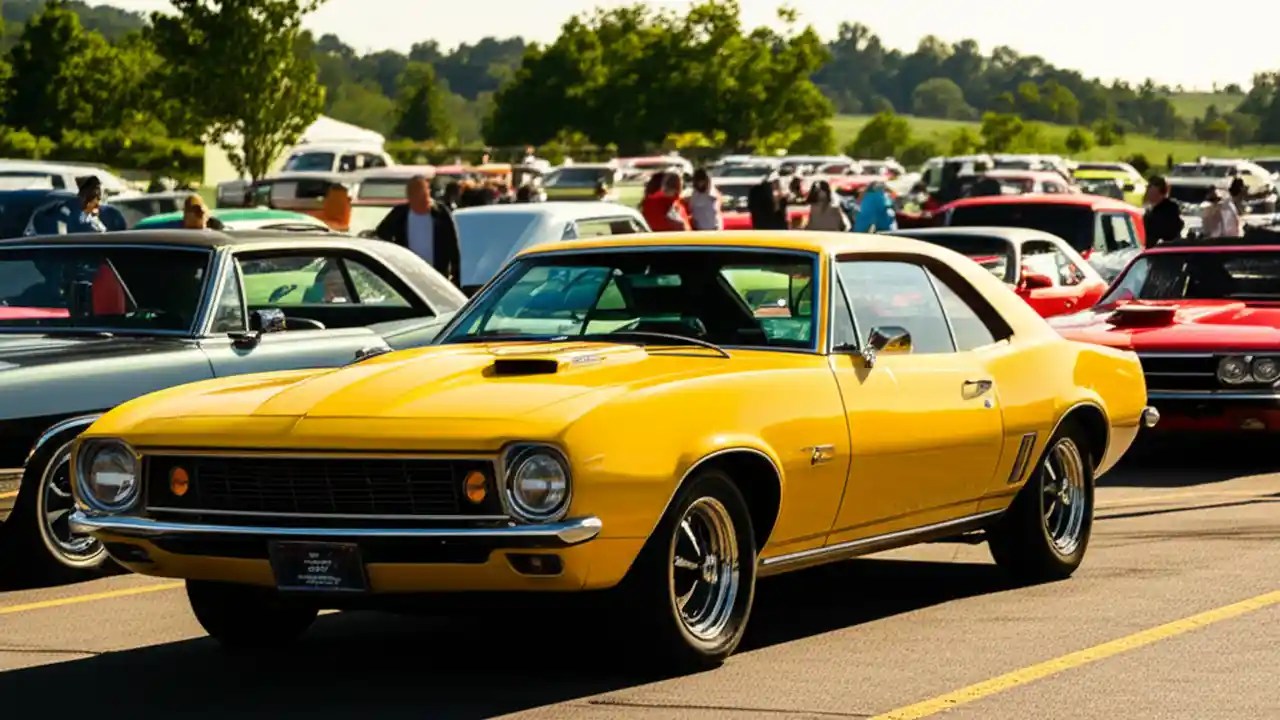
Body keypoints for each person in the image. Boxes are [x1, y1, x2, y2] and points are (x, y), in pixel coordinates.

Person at [373, 175, 462, 286]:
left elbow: (453, 248)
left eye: (421, 193)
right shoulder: (400, 213)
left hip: (437, 277)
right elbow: (381, 235)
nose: (418, 198)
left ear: (428, 192)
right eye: (413, 194)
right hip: (408, 278)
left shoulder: (441, 214)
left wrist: (456, 279)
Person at [1142, 176, 1183, 245]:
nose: (1147, 190)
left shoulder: (1170, 208)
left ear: (1158, 189)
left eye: (1150, 187)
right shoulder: (1149, 207)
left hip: (1164, 248)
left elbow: (1171, 229)